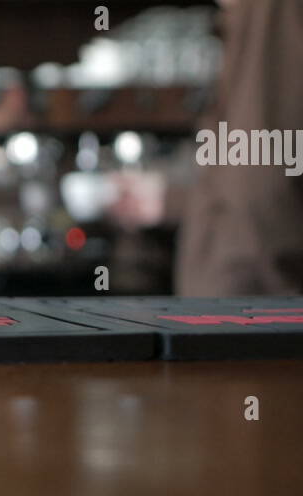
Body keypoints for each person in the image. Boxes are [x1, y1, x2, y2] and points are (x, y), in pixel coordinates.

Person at [110, 0, 303, 295]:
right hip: (239, 304)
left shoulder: (273, 12)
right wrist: (172, 200)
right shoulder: (248, 16)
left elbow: (261, 182)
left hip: (248, 308)